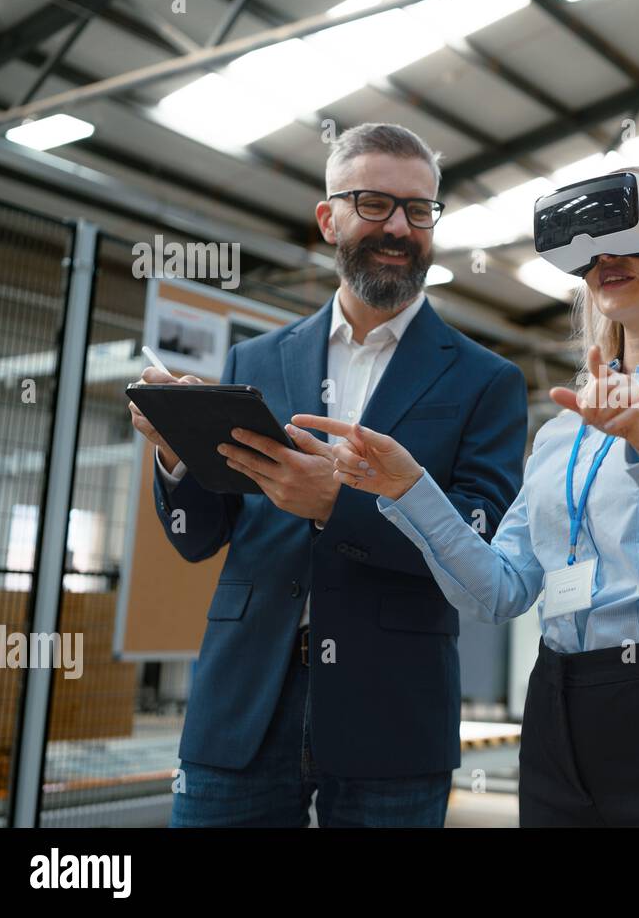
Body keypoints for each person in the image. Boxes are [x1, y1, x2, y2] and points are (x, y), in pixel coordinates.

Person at [295, 166, 639, 826]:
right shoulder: (564, 427)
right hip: (558, 710)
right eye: (592, 250)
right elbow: (500, 590)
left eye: (632, 240)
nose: (605, 260)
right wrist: (410, 488)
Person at [127, 122, 528, 827]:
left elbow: (479, 545)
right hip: (244, 696)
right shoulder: (256, 361)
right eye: (374, 203)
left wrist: (334, 507)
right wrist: (175, 454)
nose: (400, 226)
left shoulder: (486, 382)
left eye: (419, 209)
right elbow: (200, 538)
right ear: (328, 217)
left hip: (393, 711)